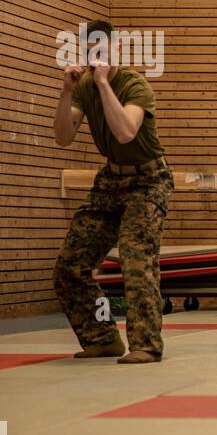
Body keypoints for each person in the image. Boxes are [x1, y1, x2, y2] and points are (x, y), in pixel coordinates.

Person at [52, 19, 174, 363]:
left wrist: (104, 84)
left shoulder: (135, 85)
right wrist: (65, 92)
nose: (96, 59)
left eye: (102, 51)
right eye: (90, 53)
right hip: (110, 182)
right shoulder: (83, 87)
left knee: (137, 259)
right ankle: (102, 336)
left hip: (149, 182)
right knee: (69, 267)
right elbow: (62, 137)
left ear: (117, 50)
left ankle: (146, 345)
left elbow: (124, 133)